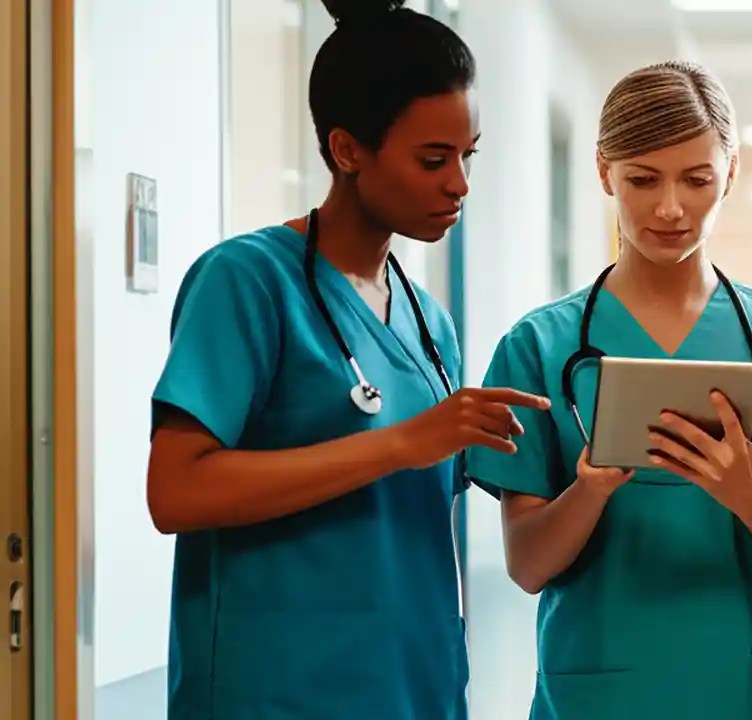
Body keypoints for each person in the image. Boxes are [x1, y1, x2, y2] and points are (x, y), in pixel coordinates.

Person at [146, 2, 548, 717]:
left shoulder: (430, 324)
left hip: (414, 685)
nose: (458, 183)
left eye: (467, 155)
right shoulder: (248, 281)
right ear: (347, 149)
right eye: (433, 159)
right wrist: (400, 444)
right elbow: (176, 492)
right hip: (277, 692)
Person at [465, 61, 752, 720]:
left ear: (731, 172)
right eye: (642, 179)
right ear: (604, 172)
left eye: (698, 178)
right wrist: (590, 489)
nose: (670, 208)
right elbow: (528, 566)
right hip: (602, 687)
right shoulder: (538, 346)